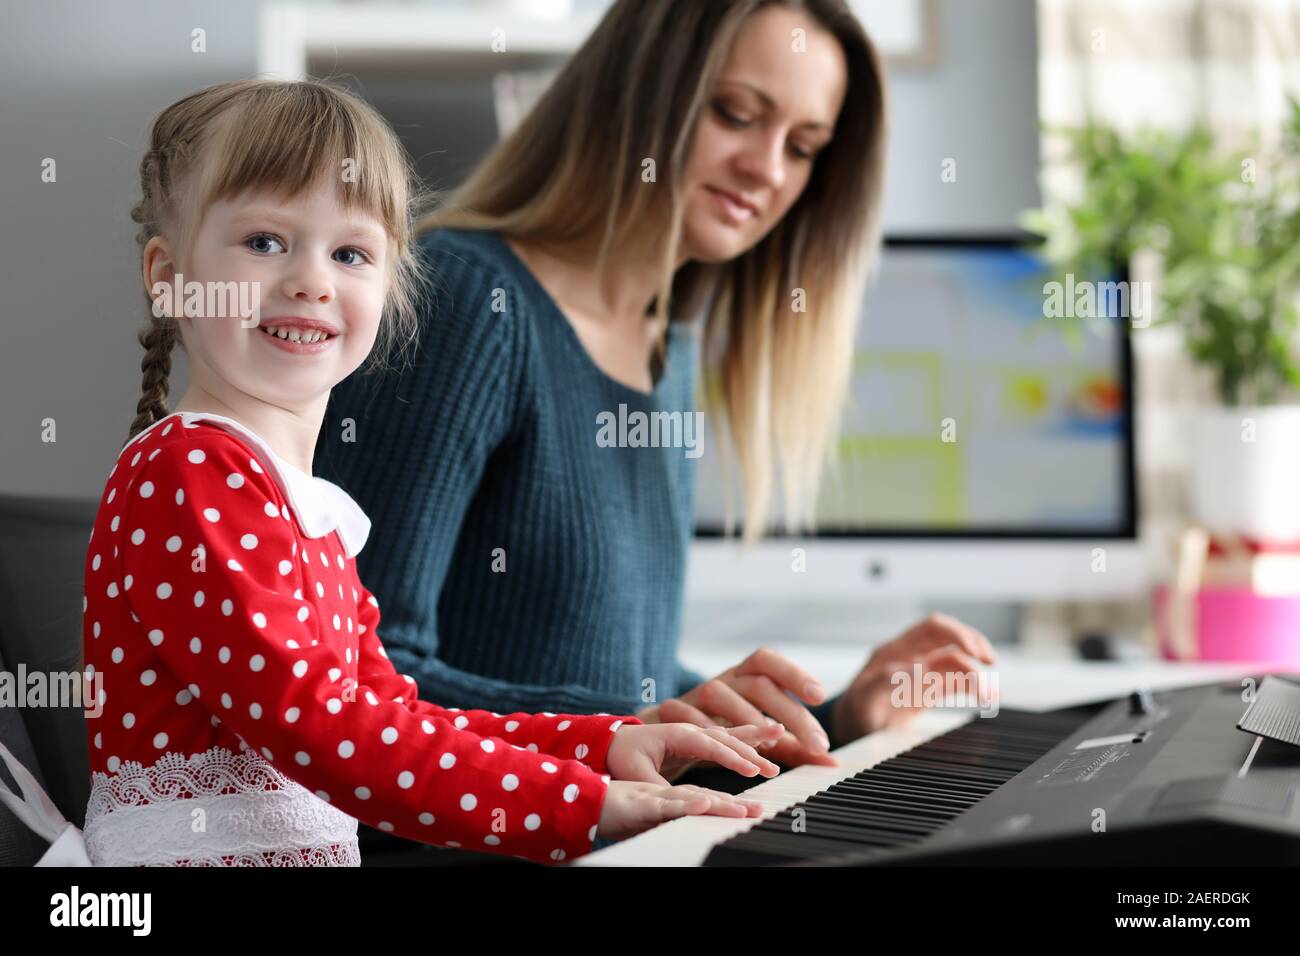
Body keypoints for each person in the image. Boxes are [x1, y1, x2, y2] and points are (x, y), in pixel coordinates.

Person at [77, 78, 782, 867]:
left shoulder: (301, 506)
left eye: (350, 253)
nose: (312, 279)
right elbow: (320, 726)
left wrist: (605, 743)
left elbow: (398, 716)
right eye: (265, 241)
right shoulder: (188, 468)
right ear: (169, 275)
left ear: (389, 290)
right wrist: (579, 806)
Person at [318, 0, 997, 782]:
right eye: (737, 113)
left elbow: (621, 689)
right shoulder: (467, 301)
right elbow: (356, 684)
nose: (768, 169)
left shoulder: (663, 346)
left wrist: (836, 721)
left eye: (803, 147)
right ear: (636, 90)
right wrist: (620, 730)